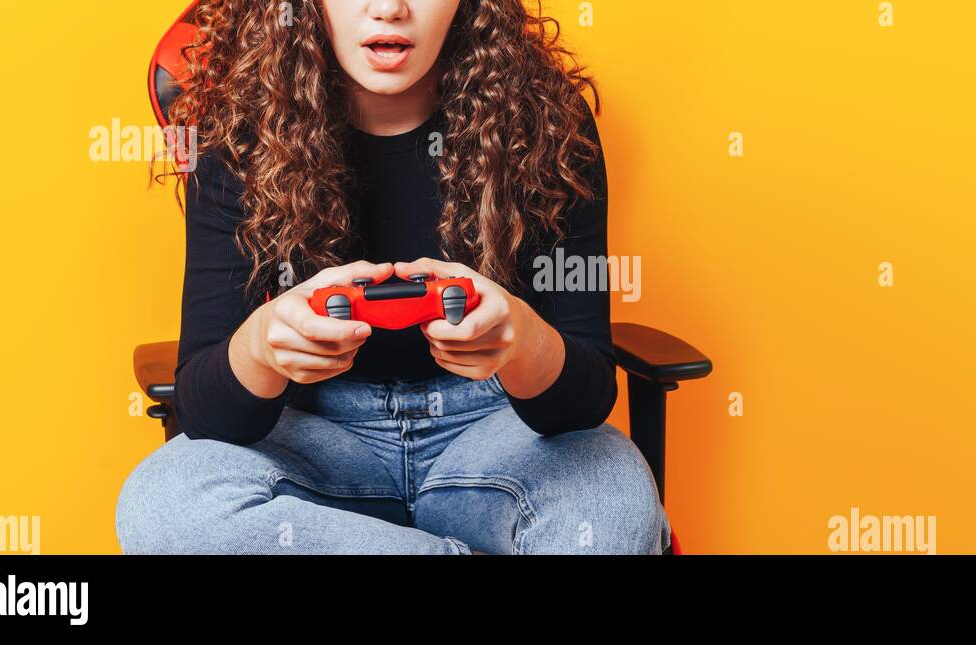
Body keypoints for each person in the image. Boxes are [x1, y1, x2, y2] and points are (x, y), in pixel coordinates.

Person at [115, 0, 668, 555]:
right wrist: (261, 347)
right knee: (163, 506)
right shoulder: (238, 131)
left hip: (499, 434)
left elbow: (583, 401)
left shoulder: (547, 119)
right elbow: (203, 410)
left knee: (613, 504)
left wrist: (522, 337)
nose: (389, 8)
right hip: (314, 440)